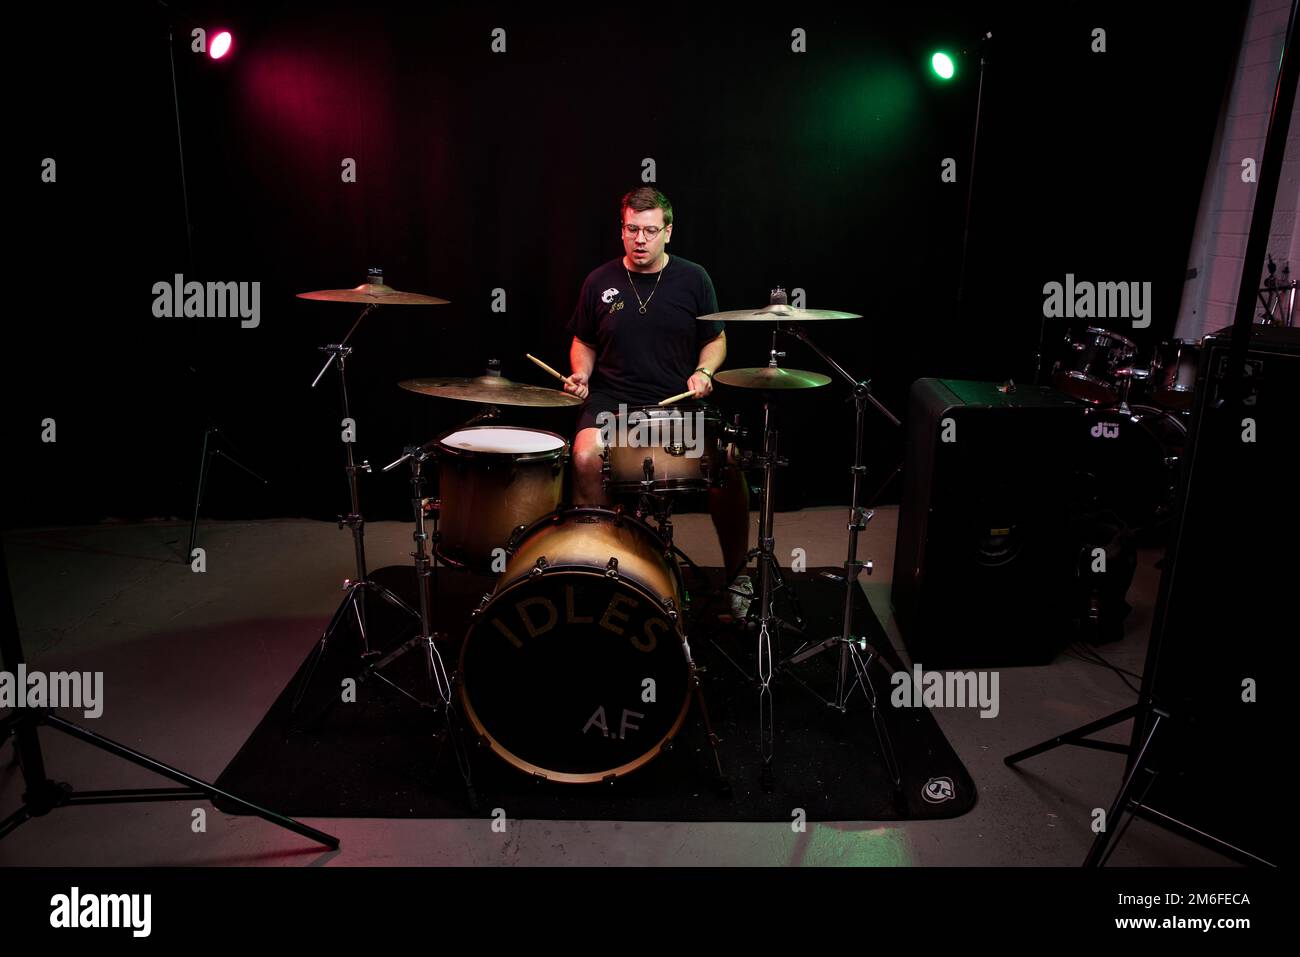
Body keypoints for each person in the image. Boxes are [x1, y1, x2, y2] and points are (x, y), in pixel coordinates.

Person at [564, 187, 752, 615]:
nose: (640, 239)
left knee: (729, 460)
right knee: (585, 455)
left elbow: (716, 339)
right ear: (623, 229)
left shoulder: (693, 278)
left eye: (650, 230)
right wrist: (583, 373)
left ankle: (738, 574)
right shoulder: (599, 281)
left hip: (676, 406)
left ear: (668, 231)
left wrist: (704, 371)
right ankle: (601, 566)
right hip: (614, 403)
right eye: (632, 229)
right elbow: (583, 340)